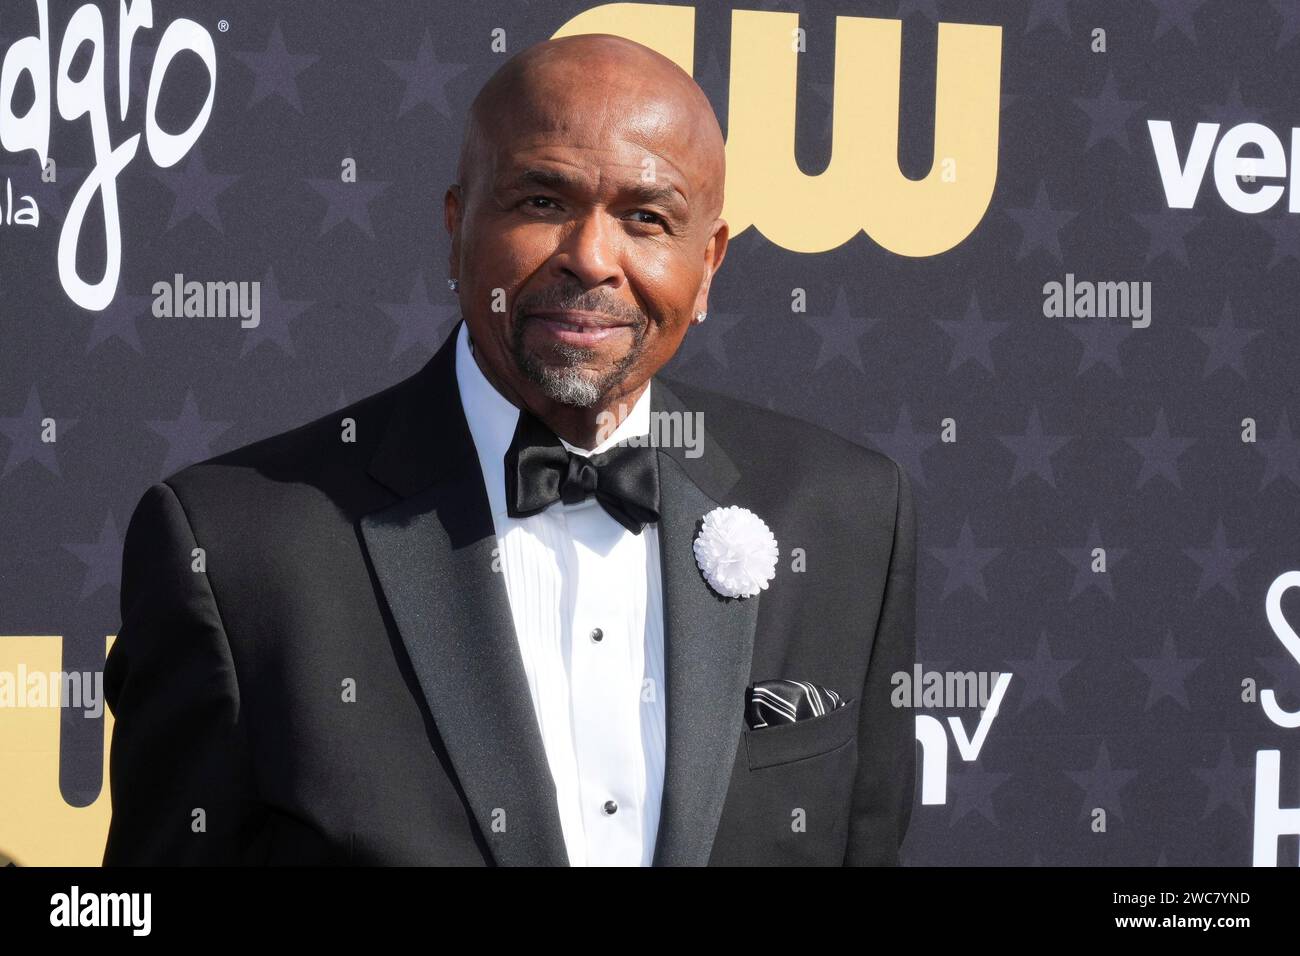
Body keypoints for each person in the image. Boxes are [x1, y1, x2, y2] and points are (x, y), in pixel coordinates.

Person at [102, 32, 916, 866]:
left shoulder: (845, 512)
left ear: (706, 263)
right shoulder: (236, 548)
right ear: (457, 227)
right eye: (543, 202)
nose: (592, 259)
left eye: (647, 217)